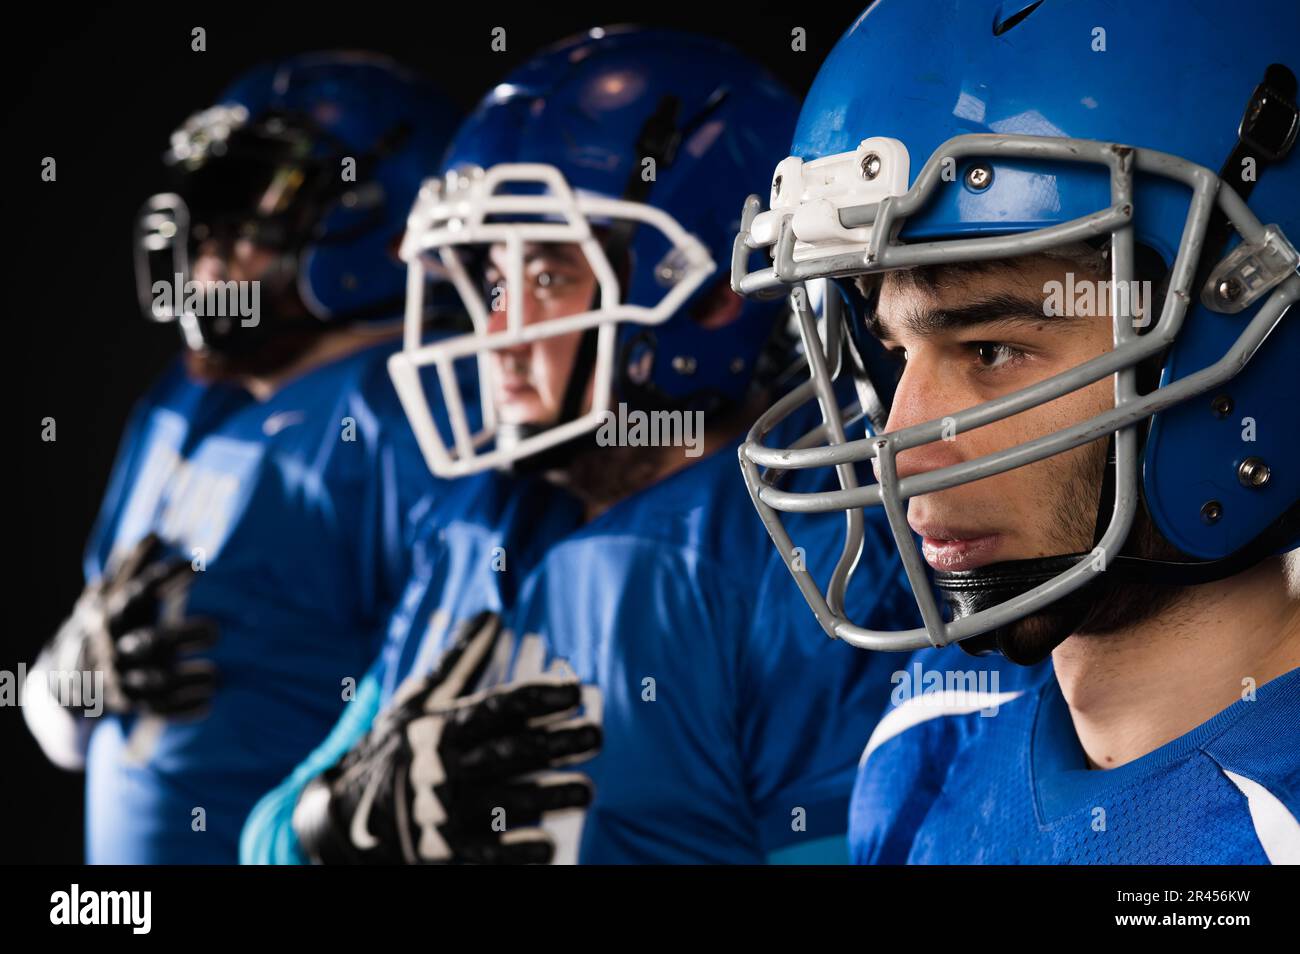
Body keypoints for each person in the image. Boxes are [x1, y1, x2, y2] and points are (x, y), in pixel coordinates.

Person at [252, 27, 919, 865]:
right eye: (492, 280)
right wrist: (340, 820)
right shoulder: (474, 523)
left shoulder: (810, 553)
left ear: (713, 297)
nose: (497, 332)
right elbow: (262, 841)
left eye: (549, 277)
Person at [730, 0, 1299, 863]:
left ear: (1240, 326)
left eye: (992, 348)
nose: (906, 451)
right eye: (896, 352)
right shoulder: (934, 722)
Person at [22, 52, 464, 863]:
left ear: (376, 220)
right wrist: (66, 681)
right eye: (206, 216)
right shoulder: (184, 401)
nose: (206, 252)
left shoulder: (405, 413)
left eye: (246, 217)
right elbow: (68, 730)